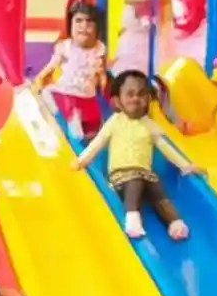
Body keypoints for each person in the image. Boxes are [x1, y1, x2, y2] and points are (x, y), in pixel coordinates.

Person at [72, 70, 203, 240]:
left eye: (141, 95)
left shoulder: (150, 125)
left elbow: (165, 148)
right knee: (134, 182)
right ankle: (132, 217)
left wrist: (186, 165)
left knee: (159, 192)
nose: (136, 98)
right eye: (130, 94)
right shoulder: (115, 121)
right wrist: (81, 161)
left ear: (148, 100)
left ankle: (175, 223)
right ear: (118, 101)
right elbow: (98, 142)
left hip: (145, 174)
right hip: (121, 176)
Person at [32, 1, 108, 140]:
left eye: (89, 22)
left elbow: (101, 73)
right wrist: (39, 79)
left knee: (94, 127)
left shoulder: (98, 49)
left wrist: (104, 86)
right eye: (78, 21)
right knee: (52, 98)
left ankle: (78, 135)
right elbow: (52, 65)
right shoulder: (66, 47)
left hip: (86, 94)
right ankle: (67, 124)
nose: (84, 26)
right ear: (70, 25)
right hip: (66, 91)